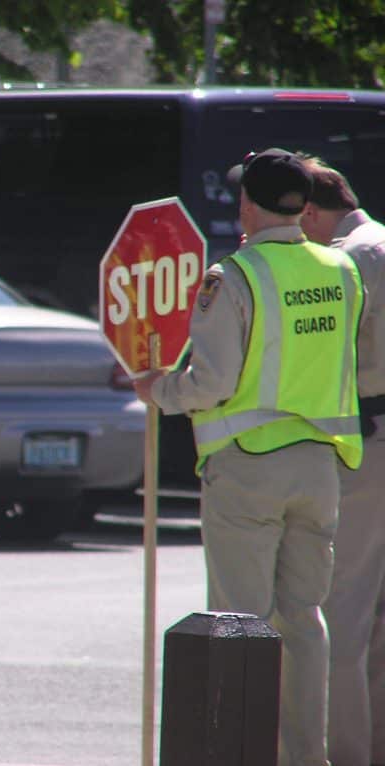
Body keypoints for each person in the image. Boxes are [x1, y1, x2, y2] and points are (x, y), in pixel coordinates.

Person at [134, 148, 364, 766]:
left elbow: (210, 383)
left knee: (241, 622)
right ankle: (304, 757)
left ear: (246, 205)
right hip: (321, 466)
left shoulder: (232, 276)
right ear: (305, 207)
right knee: (304, 619)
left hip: (249, 466)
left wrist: (157, 388)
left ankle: (246, 754)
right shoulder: (342, 271)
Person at [299, 156, 385, 766]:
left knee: (342, 618)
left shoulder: (352, 258)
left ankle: (344, 754)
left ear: (308, 211)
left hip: (365, 442)